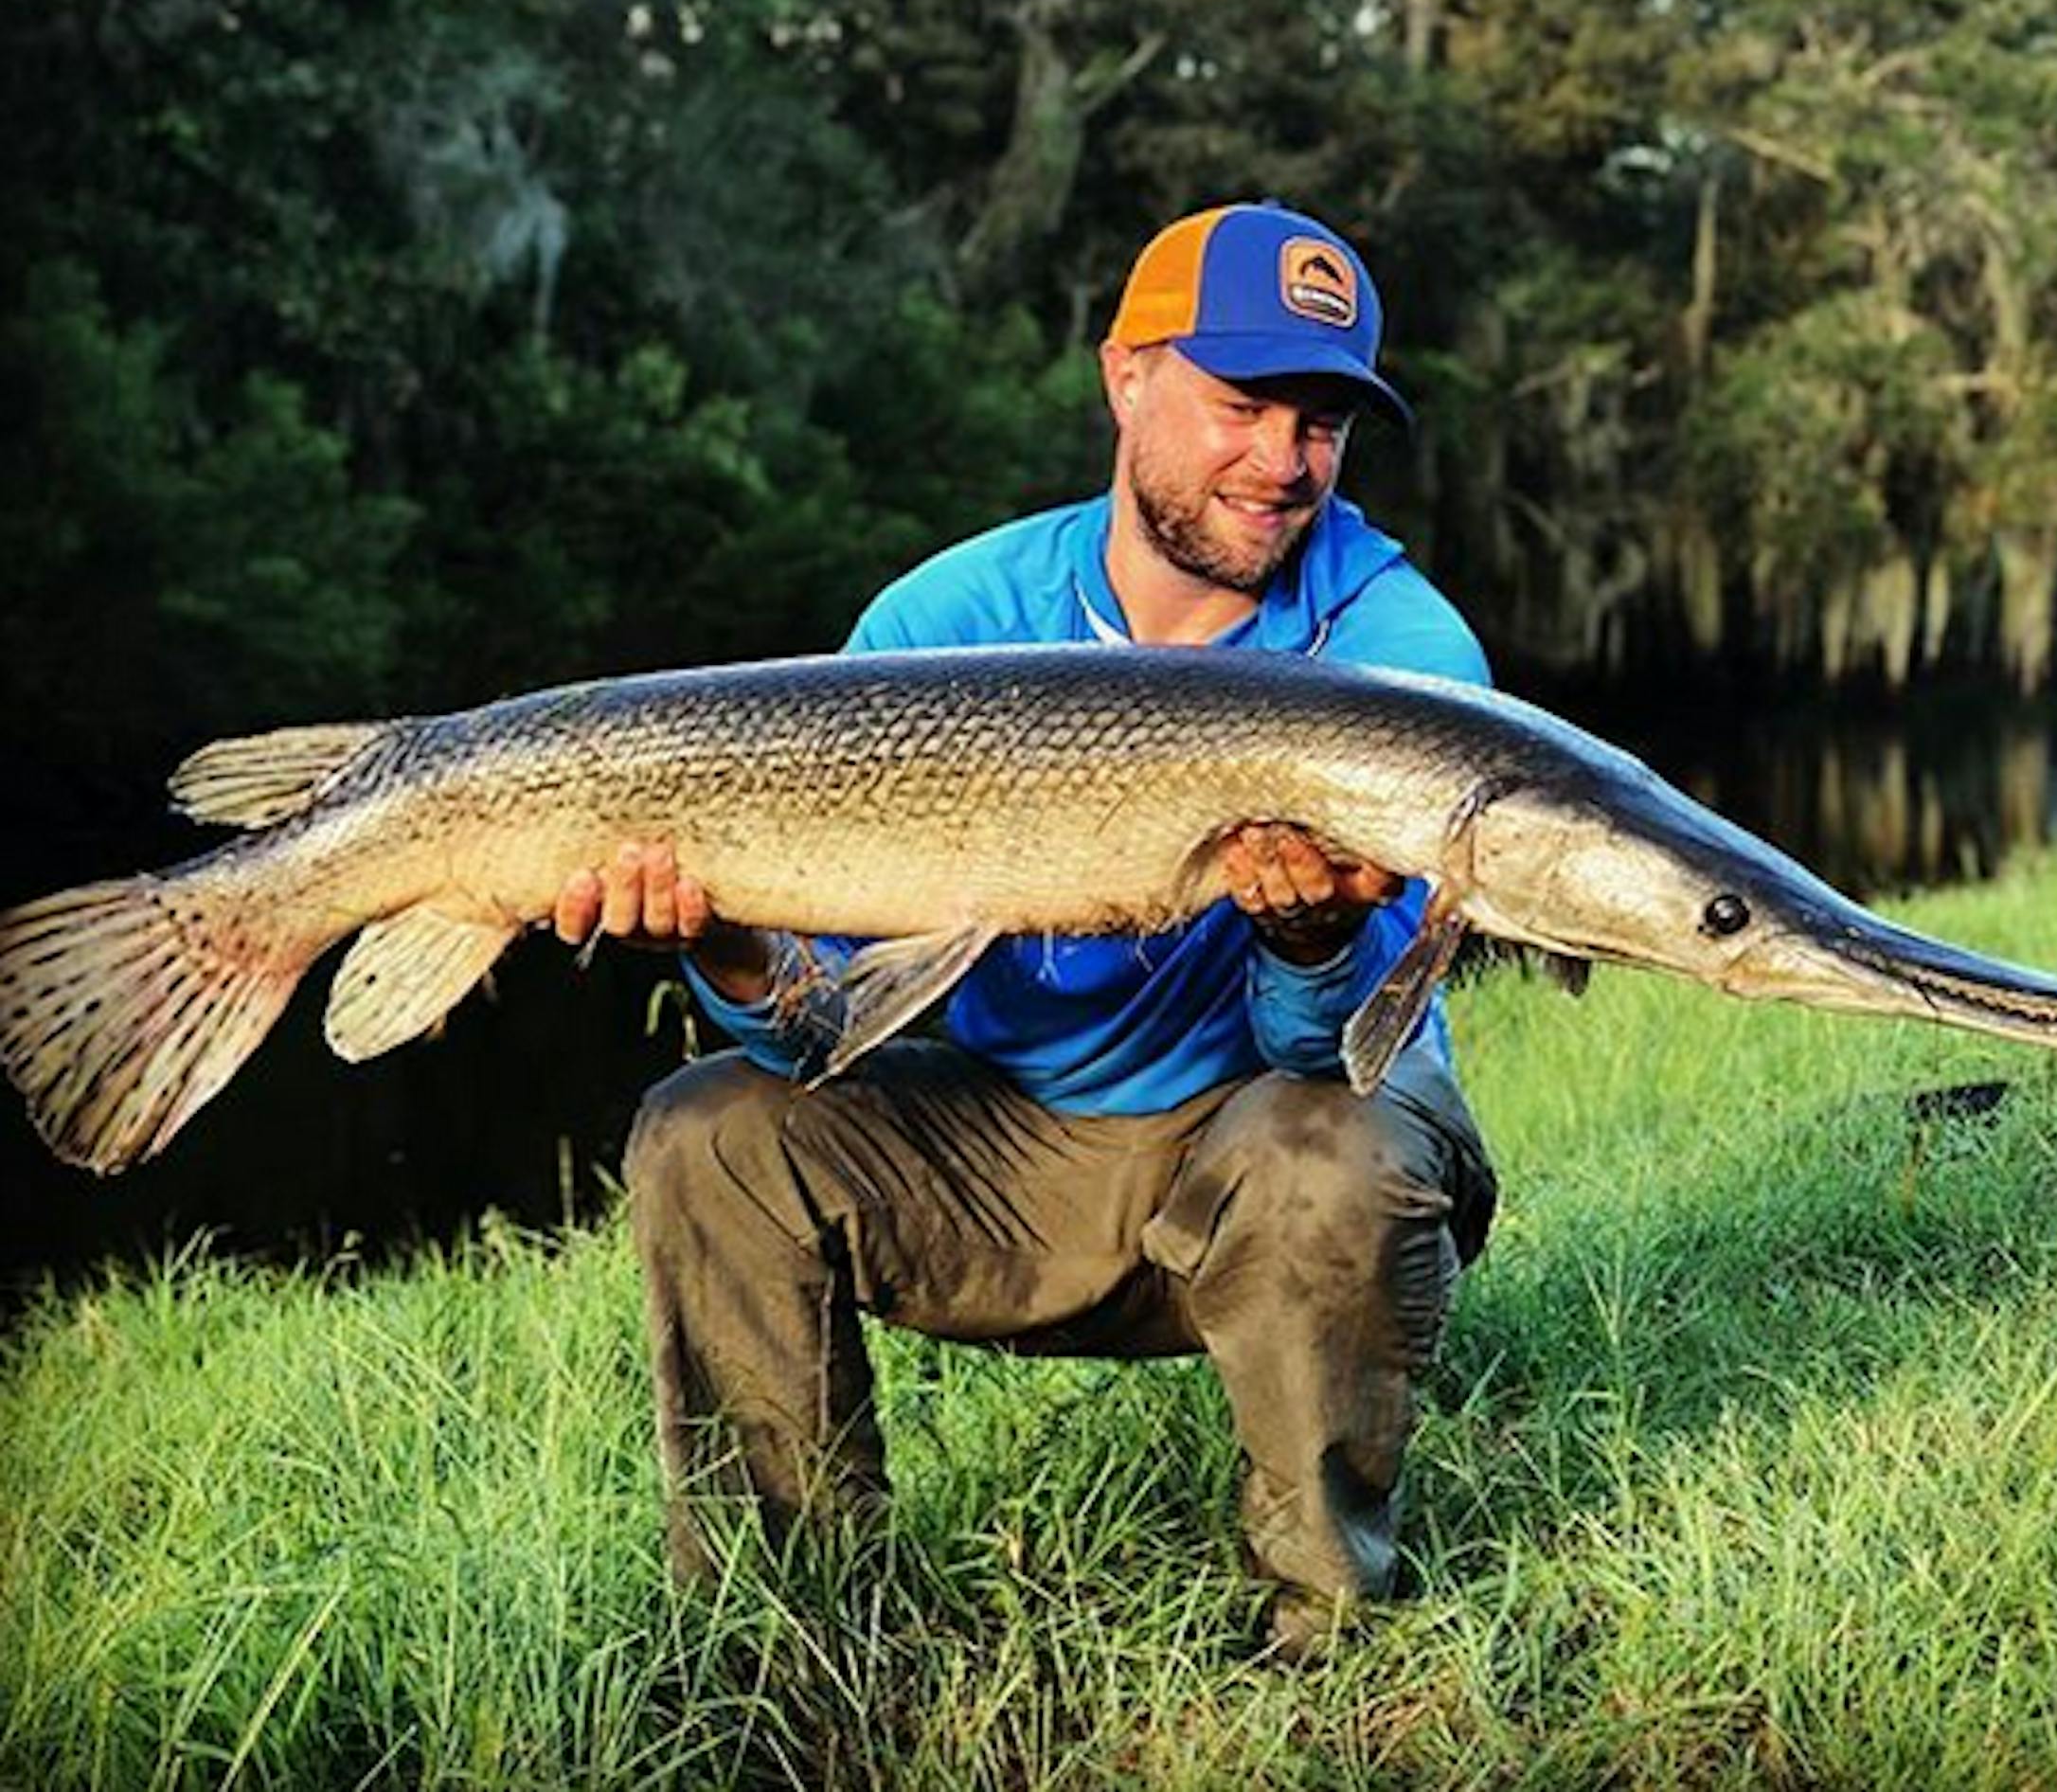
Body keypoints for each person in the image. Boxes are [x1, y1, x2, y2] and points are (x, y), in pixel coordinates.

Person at [554, 202, 1498, 1656]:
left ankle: (1329, 1628)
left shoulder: (1398, 658)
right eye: (1243, 406)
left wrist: (1309, 937)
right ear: (1127, 378)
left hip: (1258, 1143)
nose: (1283, 463)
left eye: (1322, 425)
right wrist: (723, 946)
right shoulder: (947, 618)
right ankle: (793, 1637)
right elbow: (820, 1024)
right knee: (708, 1131)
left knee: (1328, 1148)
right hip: (1016, 1155)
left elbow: (1333, 1053)